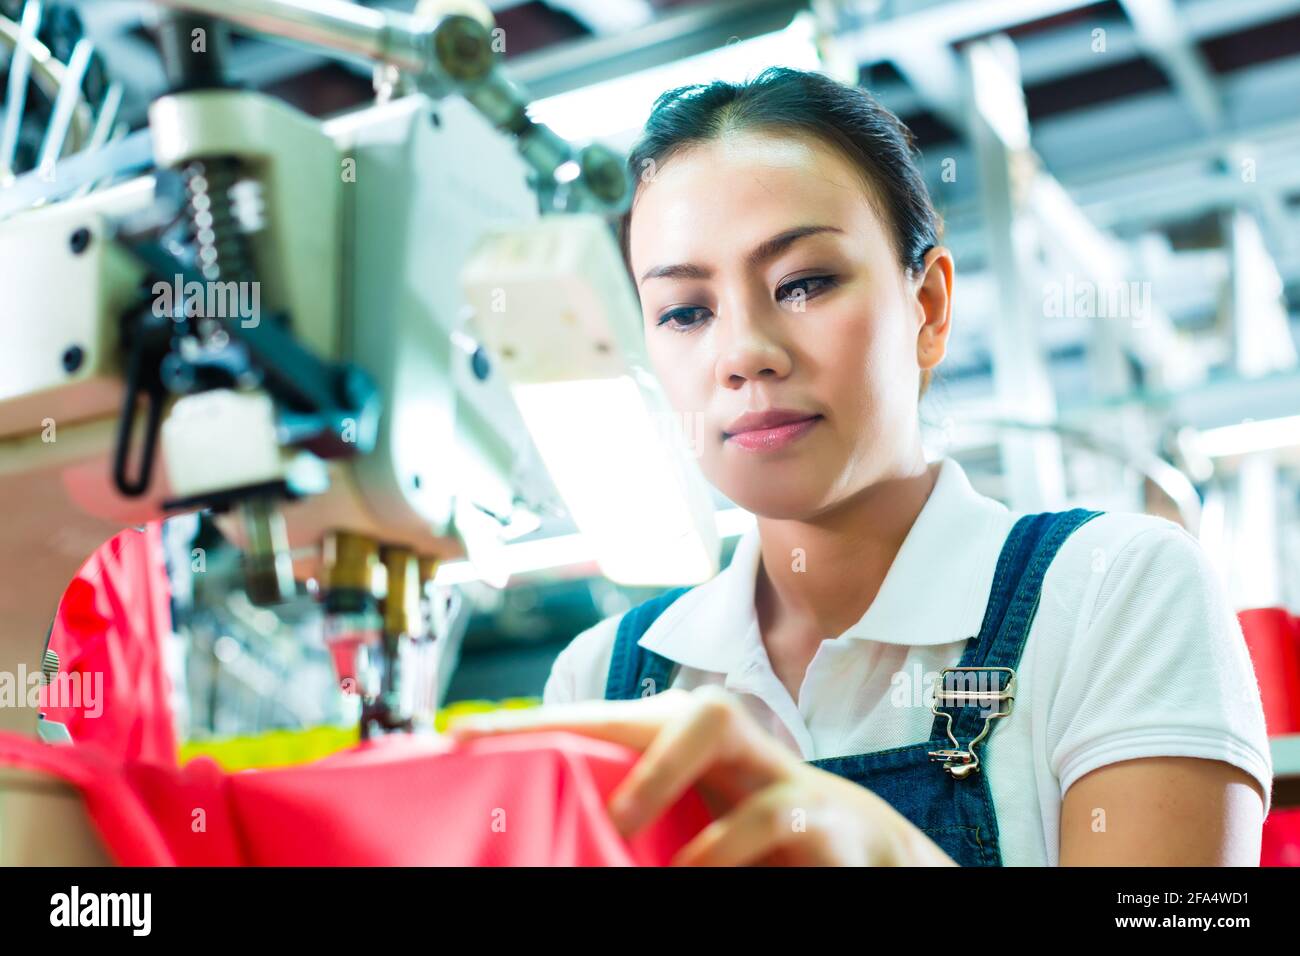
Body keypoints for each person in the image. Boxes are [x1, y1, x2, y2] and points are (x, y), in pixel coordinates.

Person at [448, 67, 1273, 866]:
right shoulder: (603, 679)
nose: (744, 354)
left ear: (930, 306)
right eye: (686, 310)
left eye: (804, 283)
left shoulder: (1114, 595)